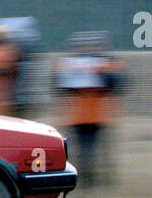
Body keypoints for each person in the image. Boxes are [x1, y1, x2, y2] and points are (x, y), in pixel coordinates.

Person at [53, 32, 128, 188]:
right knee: (88, 150)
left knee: (91, 150)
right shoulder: (107, 63)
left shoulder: (103, 64)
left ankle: (94, 180)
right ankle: (91, 180)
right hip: (88, 114)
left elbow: (119, 84)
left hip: (91, 114)